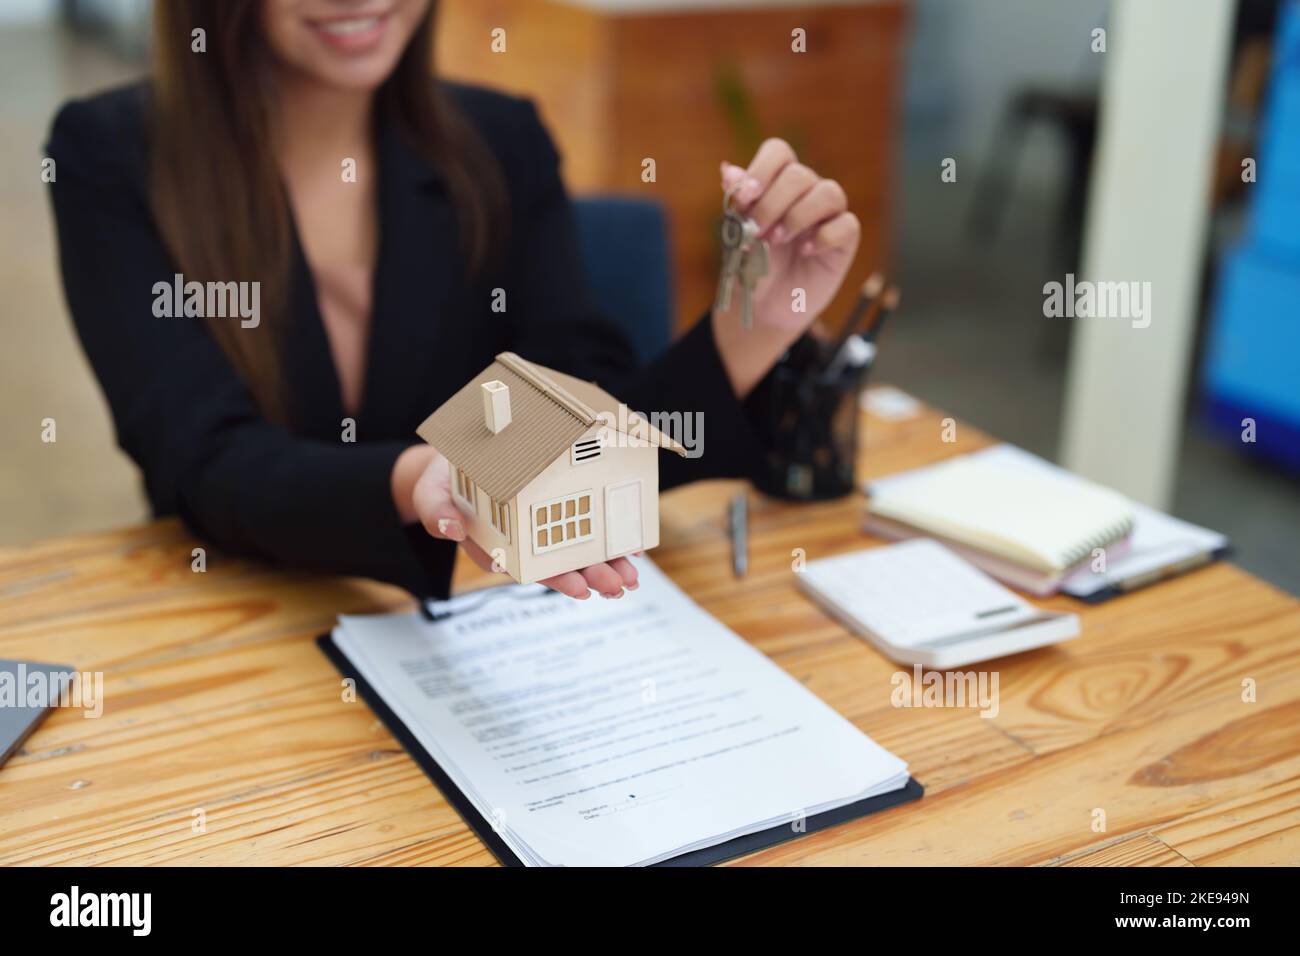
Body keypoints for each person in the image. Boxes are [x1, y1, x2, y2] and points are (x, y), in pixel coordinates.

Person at [46, 0, 861, 600]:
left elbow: (593, 419)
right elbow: (205, 460)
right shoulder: (111, 156)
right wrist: (421, 481)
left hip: (484, 630)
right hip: (245, 615)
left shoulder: (500, 140)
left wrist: (758, 322)